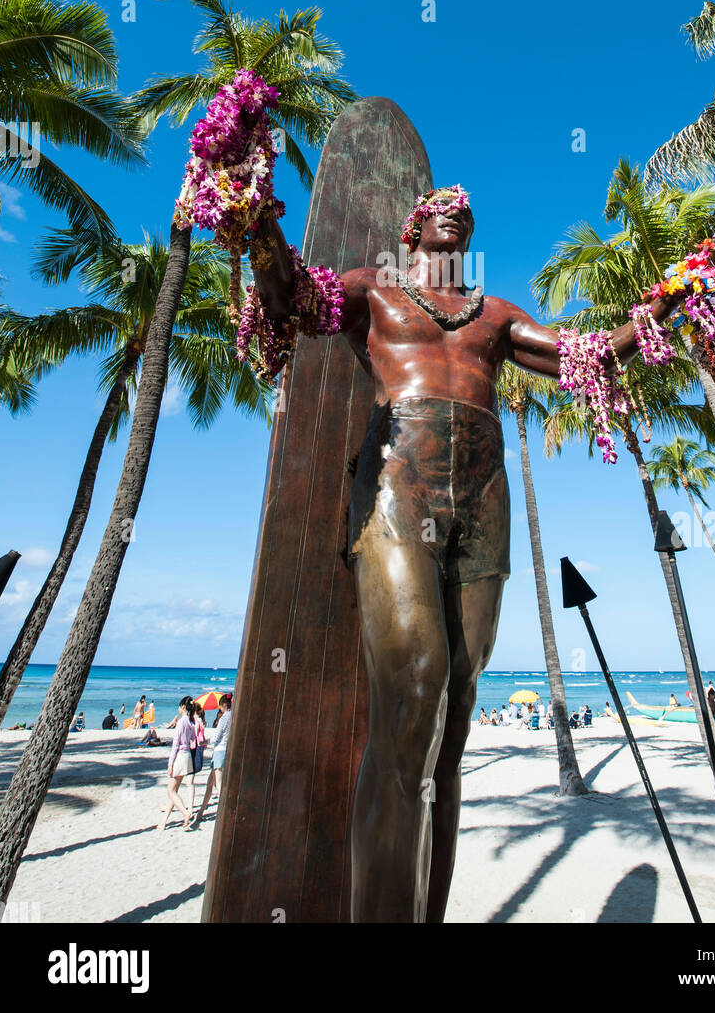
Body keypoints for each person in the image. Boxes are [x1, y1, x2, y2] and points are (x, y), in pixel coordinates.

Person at [251, 185, 682, 922]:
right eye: (437, 206)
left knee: (452, 715)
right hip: (398, 479)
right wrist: (252, 209)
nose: (453, 210)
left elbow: (588, 356)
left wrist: (672, 296)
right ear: (411, 230)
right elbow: (291, 298)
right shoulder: (373, 292)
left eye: (464, 209)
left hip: (483, 493)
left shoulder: (497, 313)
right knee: (418, 682)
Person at [157, 696, 197, 830]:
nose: (178, 709)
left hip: (180, 756)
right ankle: (163, 822)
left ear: (183, 707)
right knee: (174, 791)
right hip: (187, 757)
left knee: (171, 791)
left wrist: (170, 764)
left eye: (179, 706)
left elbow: (175, 745)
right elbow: (192, 739)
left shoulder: (181, 722)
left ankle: (186, 813)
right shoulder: (191, 722)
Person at [195, 693, 232, 825]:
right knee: (210, 782)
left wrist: (204, 742)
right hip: (224, 751)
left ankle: (223, 814)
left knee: (218, 785)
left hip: (219, 751)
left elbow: (216, 738)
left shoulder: (224, 718)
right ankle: (201, 812)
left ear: (223, 705)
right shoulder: (233, 716)